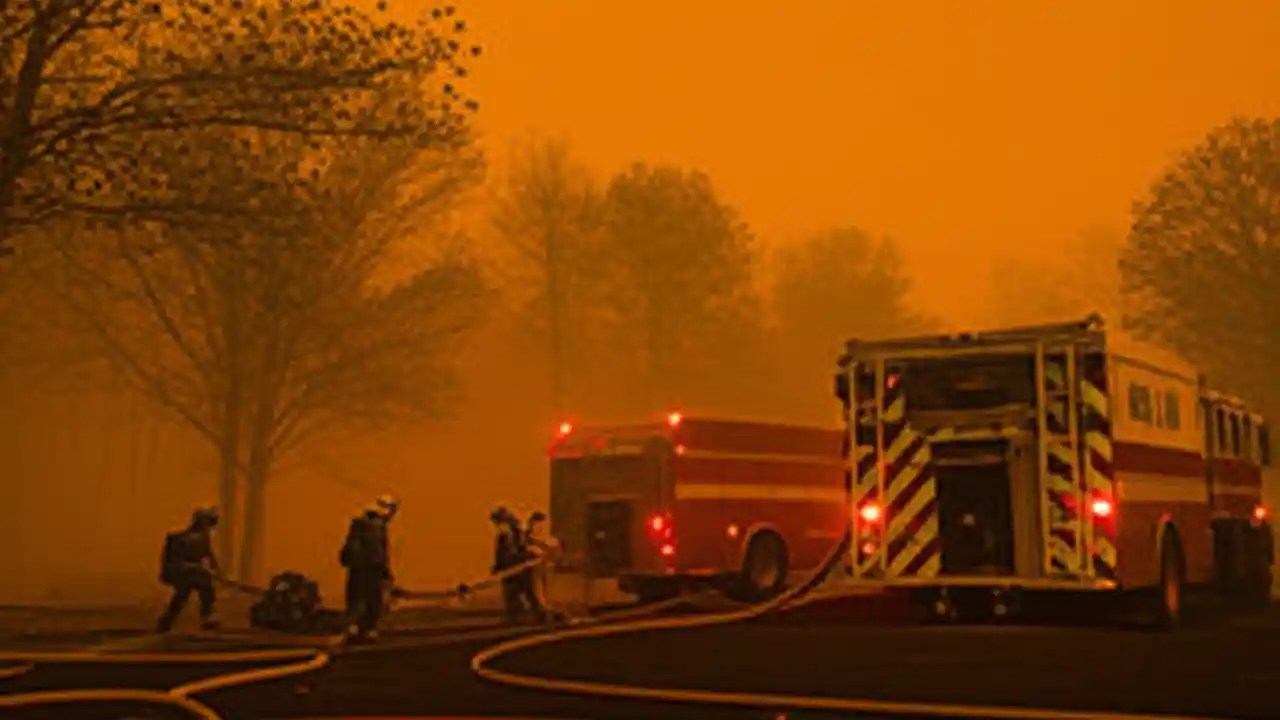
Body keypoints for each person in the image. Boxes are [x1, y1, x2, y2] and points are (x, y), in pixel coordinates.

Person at [157, 506, 221, 633]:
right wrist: (188, 566)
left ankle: (205, 618)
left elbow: (208, 554)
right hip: (184, 573)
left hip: (195, 572)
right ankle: (165, 622)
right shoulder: (182, 539)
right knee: (184, 595)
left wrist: (216, 568)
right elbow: (175, 559)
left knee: (204, 591)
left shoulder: (203, 537)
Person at [340, 496, 396, 642]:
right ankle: (367, 631)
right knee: (370, 601)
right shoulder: (376, 527)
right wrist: (384, 572)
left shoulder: (358, 526)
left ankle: (355, 629)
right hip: (369, 570)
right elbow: (379, 554)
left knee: (356, 599)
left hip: (357, 570)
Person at [491, 507, 536, 623]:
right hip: (511, 568)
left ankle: (524, 615)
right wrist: (497, 566)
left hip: (516, 569)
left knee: (519, 592)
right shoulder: (506, 535)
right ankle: (517, 614)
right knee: (515, 593)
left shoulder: (513, 533)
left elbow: (516, 551)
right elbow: (502, 553)